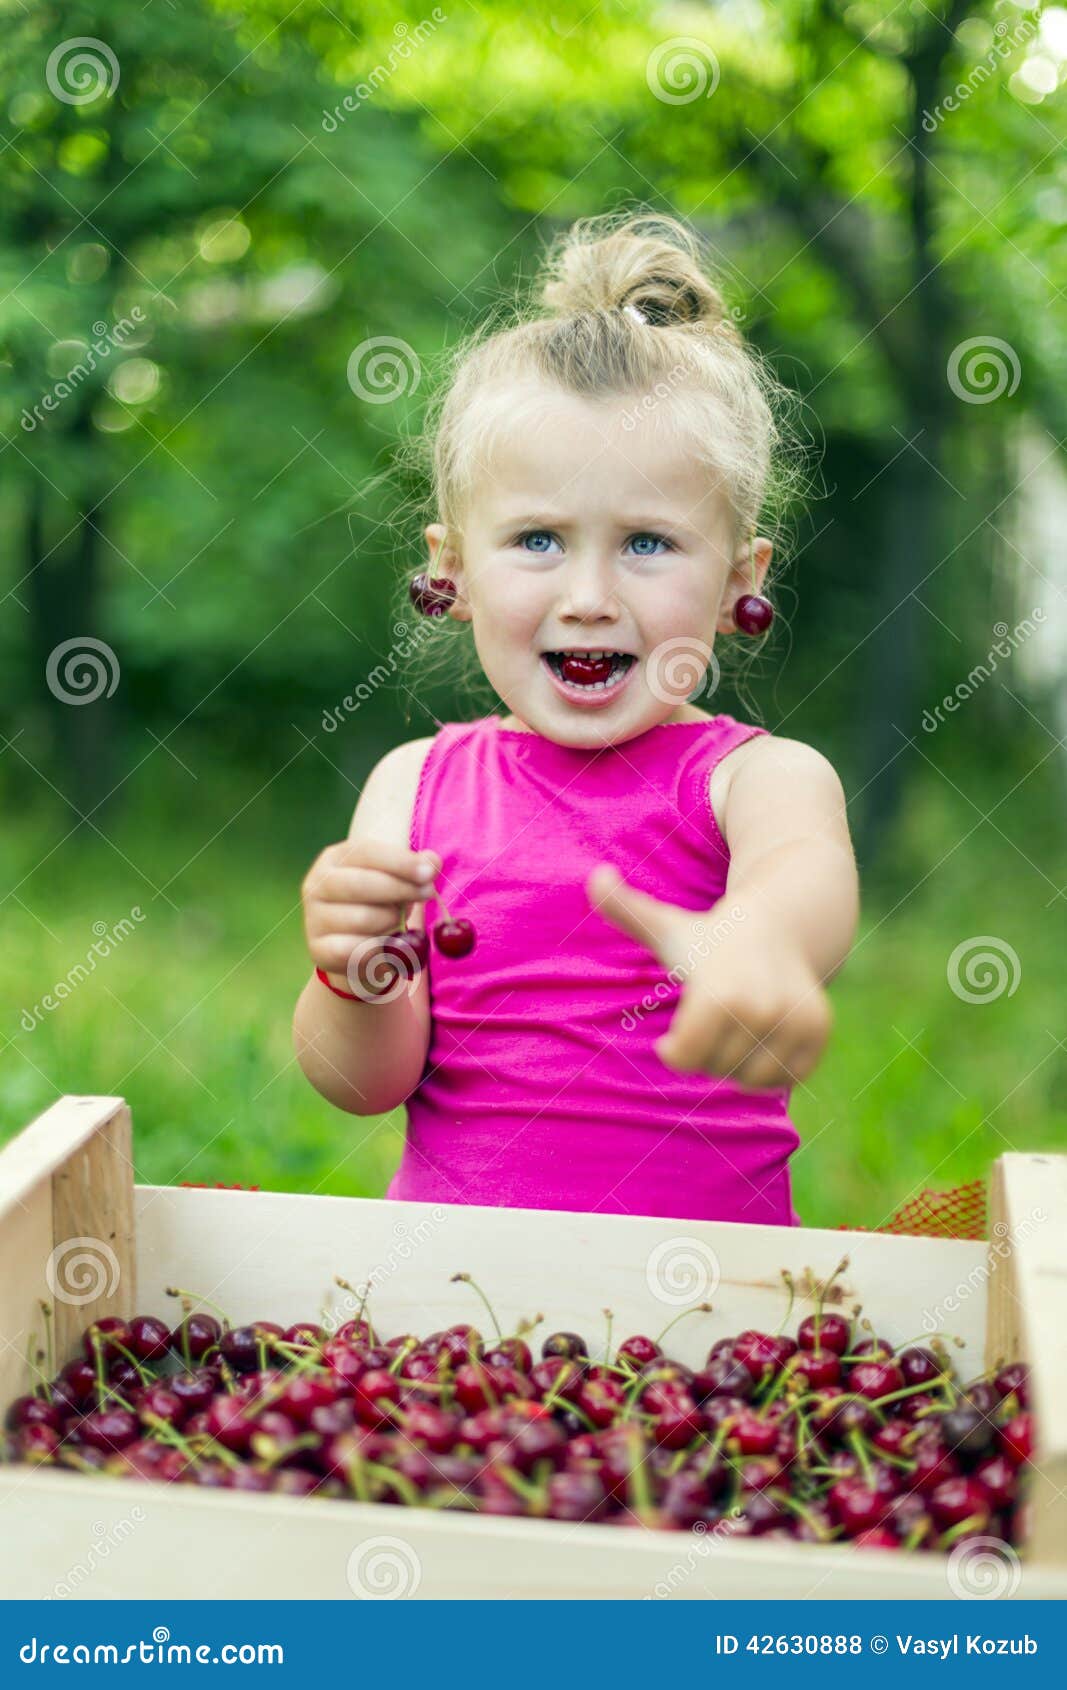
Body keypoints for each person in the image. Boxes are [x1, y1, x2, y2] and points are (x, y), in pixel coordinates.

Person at [294, 211, 859, 1225]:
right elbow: (361, 1083)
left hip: (704, 1331)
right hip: (452, 1321)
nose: (589, 594)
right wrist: (353, 972)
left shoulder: (755, 780)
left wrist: (748, 938)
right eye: (538, 540)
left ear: (739, 580)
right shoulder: (412, 789)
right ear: (451, 569)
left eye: (646, 543)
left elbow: (804, 880)